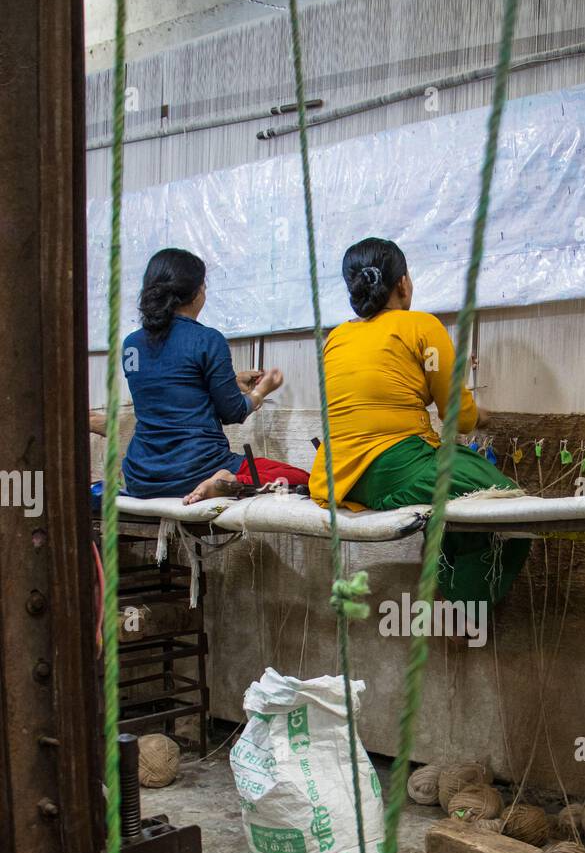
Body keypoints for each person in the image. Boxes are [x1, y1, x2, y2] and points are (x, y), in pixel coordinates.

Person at [309, 237, 529, 606]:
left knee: (454, 509)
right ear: (403, 284)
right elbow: (459, 417)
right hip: (395, 467)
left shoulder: (336, 338)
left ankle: (449, 598)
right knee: (508, 507)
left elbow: (386, 386)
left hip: (339, 477)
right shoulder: (422, 327)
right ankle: (463, 608)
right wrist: (482, 416)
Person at [108, 248, 308, 504]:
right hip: (197, 470)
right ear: (195, 293)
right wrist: (261, 392)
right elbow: (232, 412)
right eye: (203, 285)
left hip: (141, 478)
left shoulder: (132, 344)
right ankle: (225, 482)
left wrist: (231, 382)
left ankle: (224, 481)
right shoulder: (207, 340)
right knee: (298, 478)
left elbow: (170, 388)